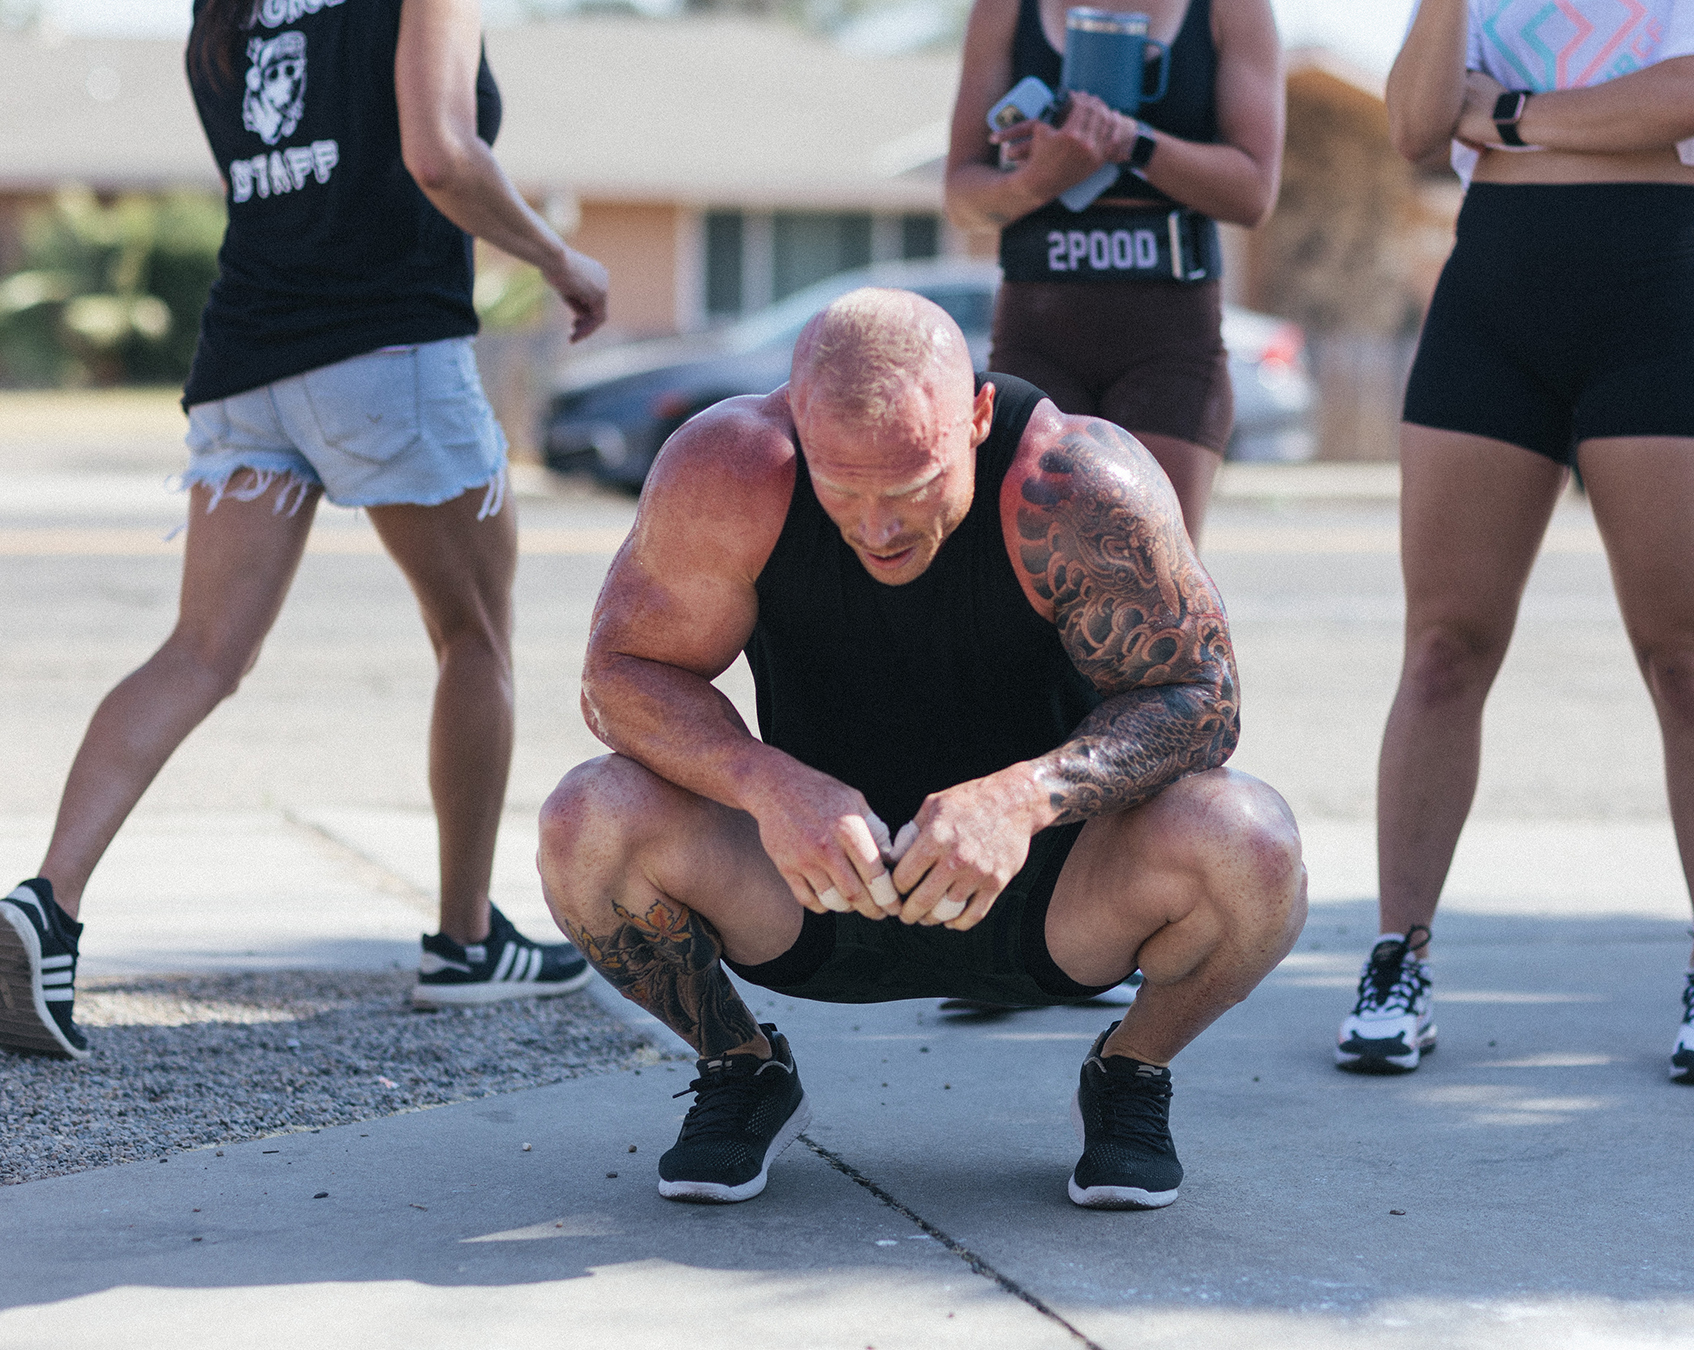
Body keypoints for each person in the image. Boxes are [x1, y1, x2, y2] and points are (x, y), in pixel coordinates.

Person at [537, 288, 1306, 1209]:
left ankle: (1132, 1072)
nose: (877, 526)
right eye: (842, 489)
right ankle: (740, 1069)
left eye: (910, 487)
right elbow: (618, 676)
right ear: (796, 420)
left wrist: (1024, 798)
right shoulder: (730, 467)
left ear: (977, 418)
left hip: (1054, 893)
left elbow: (1203, 698)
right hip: (809, 882)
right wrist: (766, 785)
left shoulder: (1077, 483)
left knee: (1253, 843)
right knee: (588, 820)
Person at [0, 0, 611, 1062]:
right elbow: (441, 157)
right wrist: (562, 261)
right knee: (474, 637)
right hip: (389, 353)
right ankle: (467, 944)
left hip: (248, 359)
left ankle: (44, 907)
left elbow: (283, 181)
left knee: (200, 651)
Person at [1335, 0, 1694, 1085]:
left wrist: (1520, 115)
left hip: (1659, 285)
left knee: (1687, 660)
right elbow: (1414, 126)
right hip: (1495, 285)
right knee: (1444, 647)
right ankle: (1399, 957)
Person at [942, 0, 1283, 549]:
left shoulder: (1233, 9)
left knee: (1149, 580)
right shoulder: (1003, 9)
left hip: (1169, 342)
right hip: (1038, 335)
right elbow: (962, 197)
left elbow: (1252, 193)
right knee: (1031, 586)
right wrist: (1039, 181)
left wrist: (1130, 143)